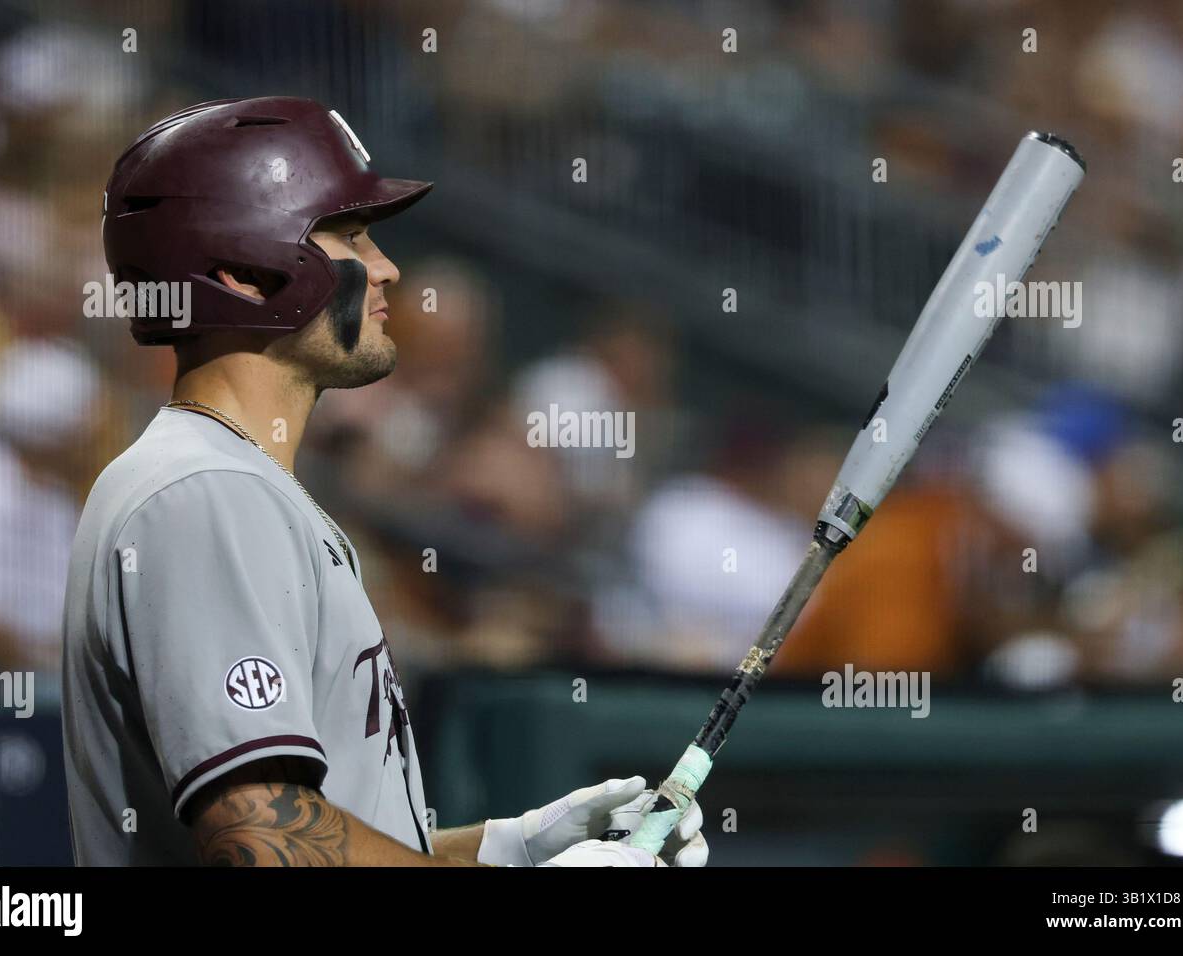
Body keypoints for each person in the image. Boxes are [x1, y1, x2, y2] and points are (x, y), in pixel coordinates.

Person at [62, 96, 707, 867]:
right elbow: (263, 841)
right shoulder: (202, 493)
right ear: (245, 272)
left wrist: (511, 849)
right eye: (352, 237)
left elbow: (331, 834)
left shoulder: (231, 482)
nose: (387, 268)